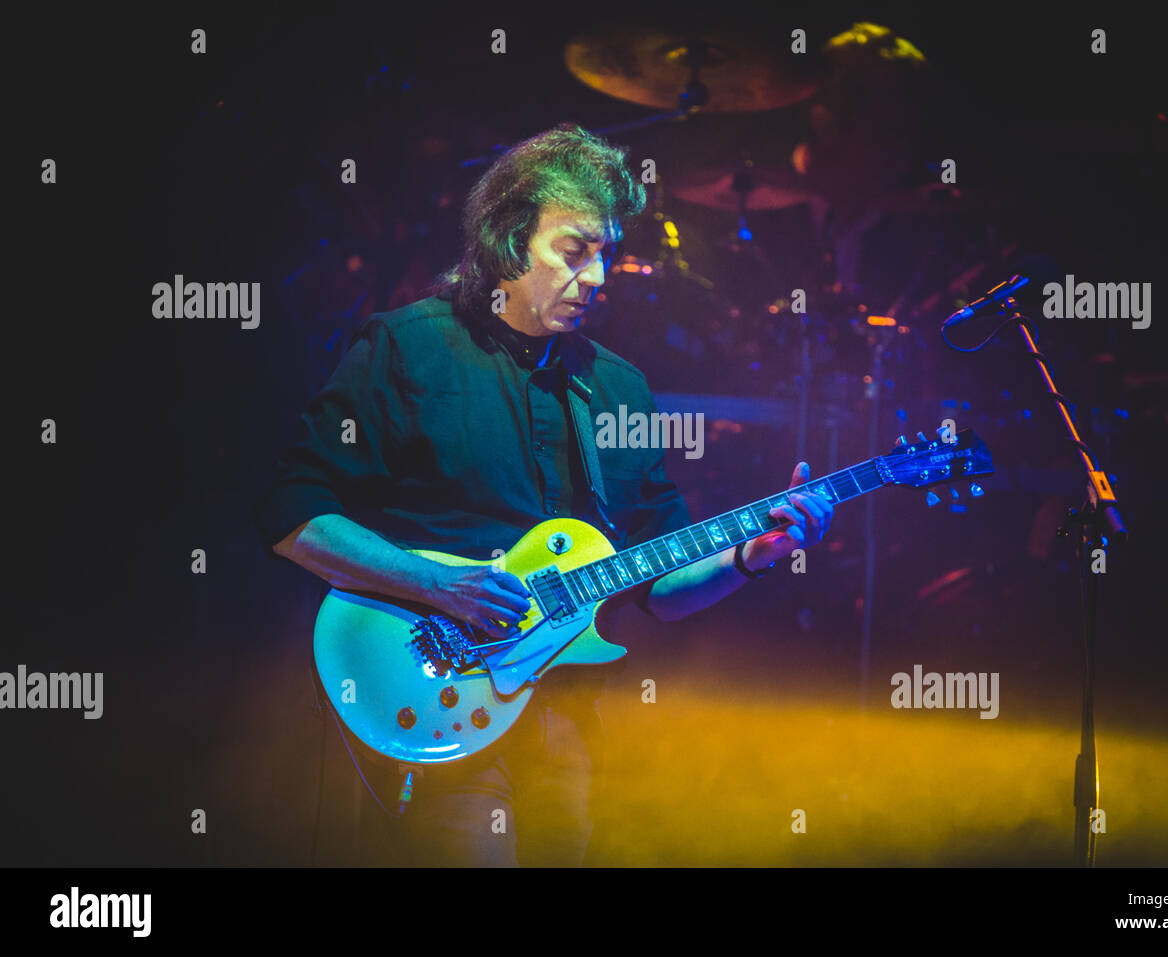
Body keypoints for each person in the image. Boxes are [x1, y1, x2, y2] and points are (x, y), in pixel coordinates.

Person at [253, 124, 835, 866]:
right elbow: (290, 512)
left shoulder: (617, 387)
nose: (597, 276)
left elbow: (659, 585)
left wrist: (754, 553)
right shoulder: (409, 347)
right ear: (508, 239)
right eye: (575, 249)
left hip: (564, 718)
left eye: (607, 254)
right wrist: (437, 582)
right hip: (438, 694)